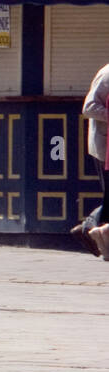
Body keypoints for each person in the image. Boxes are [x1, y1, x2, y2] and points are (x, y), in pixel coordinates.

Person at [81, 61, 109, 258]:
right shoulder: (106, 75)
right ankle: (89, 227)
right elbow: (89, 107)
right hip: (105, 147)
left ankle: (90, 227)